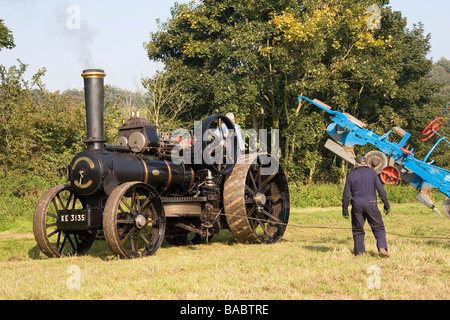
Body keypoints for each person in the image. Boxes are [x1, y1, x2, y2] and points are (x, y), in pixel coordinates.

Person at [342, 155, 391, 258]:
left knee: (358, 229)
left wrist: (345, 210)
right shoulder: (372, 173)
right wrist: (386, 204)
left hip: (356, 204)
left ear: (356, 163)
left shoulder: (351, 174)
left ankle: (359, 253)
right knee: (378, 227)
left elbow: (346, 194)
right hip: (371, 203)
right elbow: (381, 190)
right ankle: (382, 248)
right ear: (366, 163)